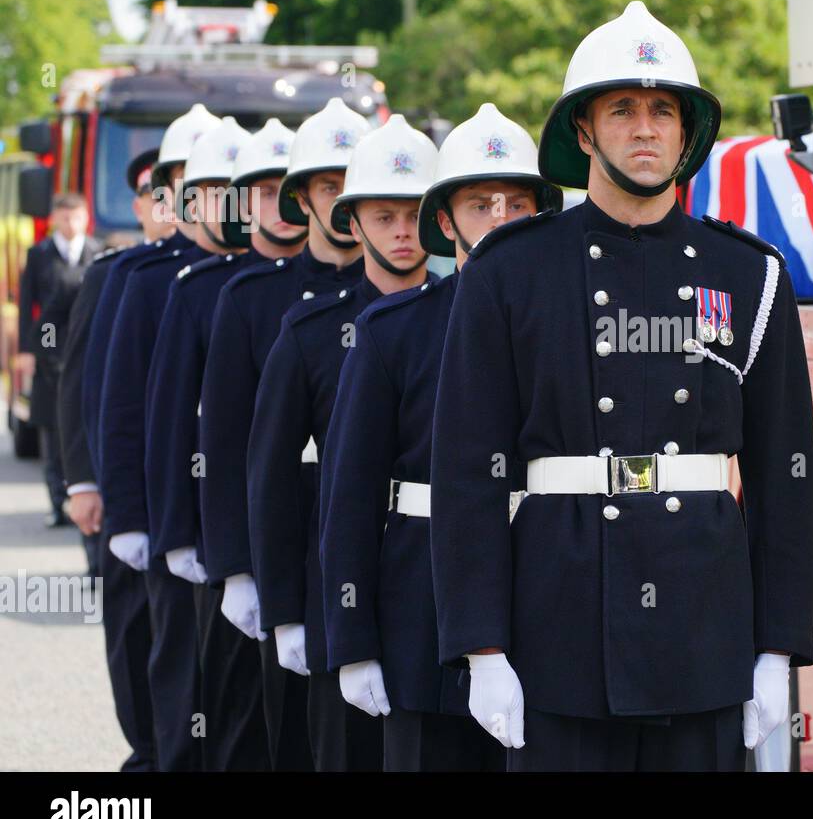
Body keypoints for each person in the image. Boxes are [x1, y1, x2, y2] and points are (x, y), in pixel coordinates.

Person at [428, 1, 813, 771]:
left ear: (687, 132)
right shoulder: (510, 272)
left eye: (663, 111)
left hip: (703, 633)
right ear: (583, 131)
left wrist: (778, 647)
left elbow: (784, 476)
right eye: (622, 110)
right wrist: (480, 647)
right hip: (559, 632)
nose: (645, 129)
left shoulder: (750, 274)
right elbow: (468, 471)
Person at [319, 103, 558, 771]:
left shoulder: (575, 326)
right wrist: (353, 638)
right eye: (482, 204)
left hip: (551, 604)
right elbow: (350, 497)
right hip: (421, 615)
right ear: (445, 221)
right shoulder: (392, 331)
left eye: (517, 202)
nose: (502, 218)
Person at [248, 114, 436, 770]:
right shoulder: (309, 330)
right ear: (353, 224)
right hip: (339, 586)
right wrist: (284, 608)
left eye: (416, 214)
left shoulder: (469, 318)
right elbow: (271, 475)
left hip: (438, 583)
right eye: (384, 217)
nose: (404, 233)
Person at [198, 97, 367, 770]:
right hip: (288, 552)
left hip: (376, 547)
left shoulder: (408, 295)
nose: (347, 199)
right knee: (287, 739)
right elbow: (231, 445)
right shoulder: (251, 298)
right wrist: (239, 568)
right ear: (302, 198)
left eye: (357, 181)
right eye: (330, 185)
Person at [144, 118, 307, 774]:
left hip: (316, 533)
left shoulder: (347, 288)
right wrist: (182, 534)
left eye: (283, 189)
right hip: (232, 529)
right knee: (230, 711)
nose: (274, 205)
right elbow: (180, 426)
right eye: (258, 193)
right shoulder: (210, 292)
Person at [100, 115, 248, 771]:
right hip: (175, 515)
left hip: (247, 514)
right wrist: (130, 515)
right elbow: (123, 407)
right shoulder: (148, 279)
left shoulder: (263, 277)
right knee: (182, 679)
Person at [57, 146, 171, 771]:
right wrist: (83, 480)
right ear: (138, 206)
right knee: (132, 629)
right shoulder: (114, 273)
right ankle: (146, 755)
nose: (170, 208)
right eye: (158, 196)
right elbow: (79, 384)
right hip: (123, 488)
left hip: (185, 493)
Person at [18, 192, 102, 530]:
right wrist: (34, 349)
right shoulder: (40, 254)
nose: (71, 223)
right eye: (65, 217)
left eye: (77, 217)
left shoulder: (98, 253)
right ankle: (57, 502)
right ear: (54, 219)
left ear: (86, 218)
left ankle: (78, 493)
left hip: (89, 354)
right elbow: (30, 307)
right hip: (52, 356)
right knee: (52, 432)